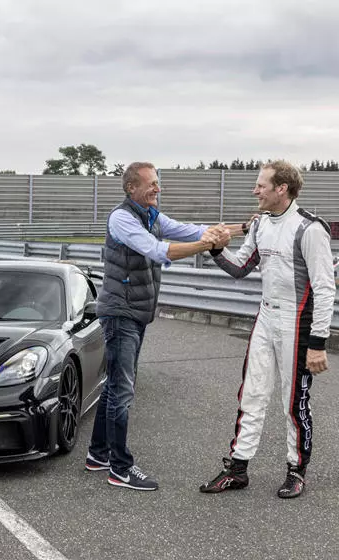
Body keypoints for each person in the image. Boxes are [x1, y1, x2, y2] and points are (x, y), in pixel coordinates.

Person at [85, 161, 233, 491]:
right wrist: (206, 245)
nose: (157, 188)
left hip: (133, 313)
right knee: (122, 391)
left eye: (157, 182)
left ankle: (97, 455)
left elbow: (188, 229)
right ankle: (120, 468)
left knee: (113, 386)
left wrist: (231, 229)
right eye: (151, 184)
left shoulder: (151, 216)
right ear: (131, 189)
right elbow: (156, 250)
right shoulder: (122, 218)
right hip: (120, 314)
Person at [199, 160, 336, 499]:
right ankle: (238, 468)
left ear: (282, 189)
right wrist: (217, 248)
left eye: (261, 185)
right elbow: (240, 267)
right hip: (265, 318)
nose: (254, 190)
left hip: (298, 325)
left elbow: (325, 288)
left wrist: (318, 342)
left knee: (294, 403)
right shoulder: (260, 224)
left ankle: (296, 471)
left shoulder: (310, 228)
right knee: (252, 394)